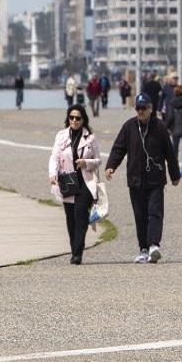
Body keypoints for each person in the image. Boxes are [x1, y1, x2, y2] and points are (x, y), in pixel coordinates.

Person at [105, 93, 180, 264]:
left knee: (154, 213)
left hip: (155, 180)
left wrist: (175, 176)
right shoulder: (129, 127)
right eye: (138, 108)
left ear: (150, 109)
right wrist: (111, 166)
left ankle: (154, 245)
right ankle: (143, 249)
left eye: (144, 108)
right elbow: (118, 149)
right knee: (140, 216)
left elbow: (170, 154)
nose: (141, 111)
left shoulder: (160, 128)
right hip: (135, 180)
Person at [48, 104, 101, 265]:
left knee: (80, 214)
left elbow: (98, 161)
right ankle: (74, 249)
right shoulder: (61, 136)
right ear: (68, 119)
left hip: (85, 181)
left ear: (83, 119)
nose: (74, 121)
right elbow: (55, 157)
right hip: (68, 181)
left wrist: (86, 162)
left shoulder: (90, 138)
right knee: (70, 218)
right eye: (72, 117)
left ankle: (78, 252)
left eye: (78, 118)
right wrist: (53, 174)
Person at [162, 84, 182, 181]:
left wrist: (166, 126)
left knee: (174, 152)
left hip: (175, 130)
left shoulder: (172, 103)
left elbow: (170, 117)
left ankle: (175, 174)